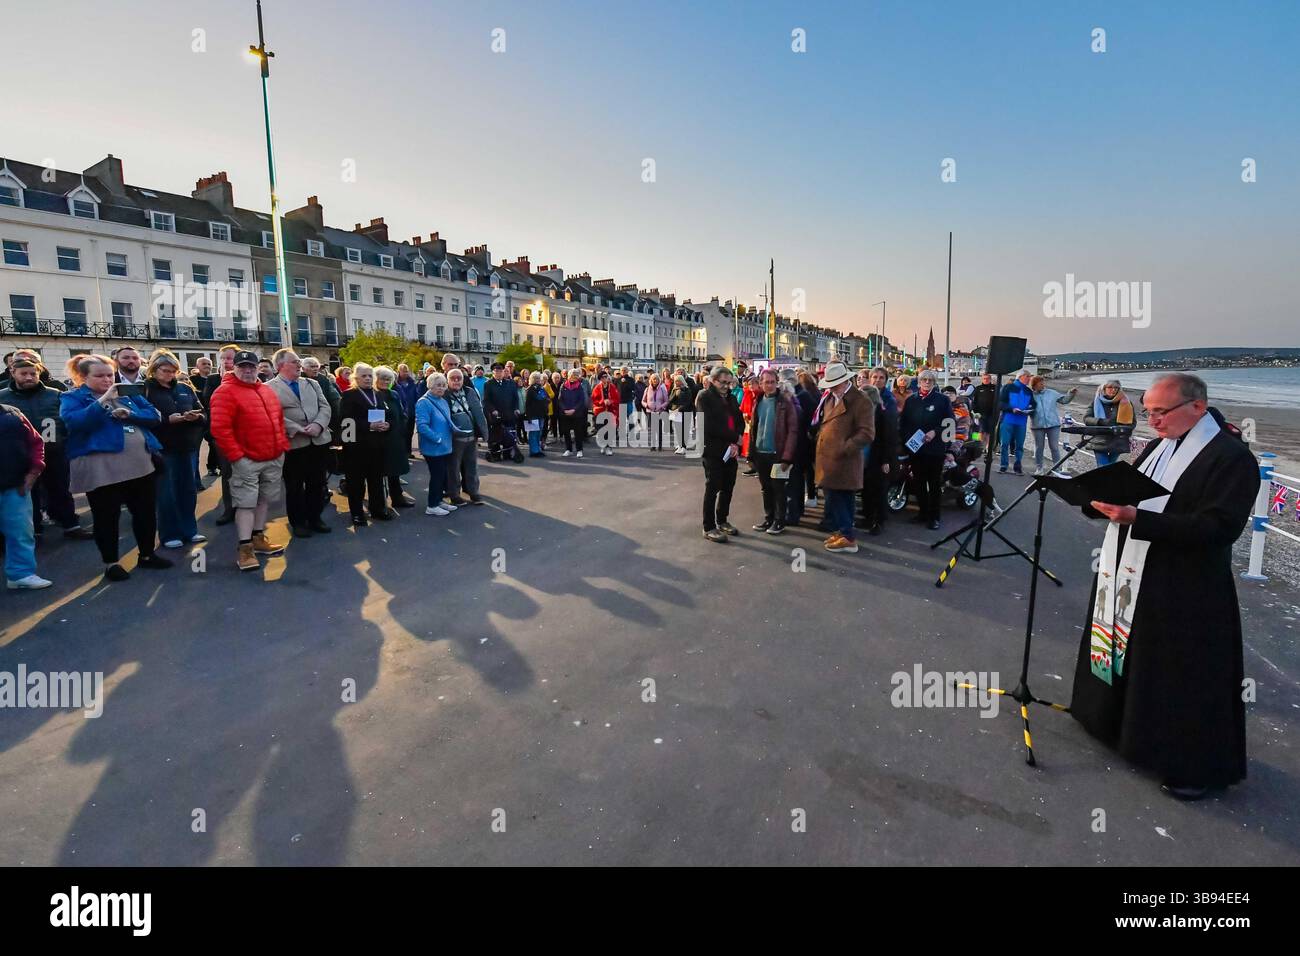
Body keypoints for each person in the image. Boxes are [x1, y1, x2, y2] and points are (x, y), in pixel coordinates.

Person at [1071, 373, 1258, 801]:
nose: (1152, 421)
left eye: (1161, 412)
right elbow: (1132, 490)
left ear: (1197, 406)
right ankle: (1121, 730)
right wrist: (1094, 500)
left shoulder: (1230, 457)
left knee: (1184, 675)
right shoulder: (1162, 444)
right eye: (1149, 412)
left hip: (1189, 587)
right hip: (1136, 574)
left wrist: (1138, 519)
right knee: (1139, 661)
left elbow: (1219, 527)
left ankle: (1192, 765)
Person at [61, 354, 173, 580]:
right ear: (83, 377)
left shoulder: (127, 393)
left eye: (109, 375)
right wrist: (103, 401)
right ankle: (111, 563)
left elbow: (154, 416)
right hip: (102, 469)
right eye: (99, 376)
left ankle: (147, 554)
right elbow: (76, 422)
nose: (106, 380)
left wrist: (131, 414)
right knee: (106, 517)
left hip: (140, 465)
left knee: (145, 513)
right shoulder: (72, 397)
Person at [209, 350, 290, 571]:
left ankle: (258, 538)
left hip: (272, 457)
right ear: (234, 368)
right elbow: (220, 429)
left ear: (257, 368)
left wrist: (281, 446)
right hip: (246, 460)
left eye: (251, 367)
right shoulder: (224, 392)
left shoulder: (266, 390)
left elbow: (279, 420)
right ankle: (245, 548)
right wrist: (238, 457)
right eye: (242, 366)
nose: (247, 370)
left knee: (263, 500)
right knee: (245, 504)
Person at [0, 356, 94, 541]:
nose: (29, 377)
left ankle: (70, 525)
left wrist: (65, 440)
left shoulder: (54, 394)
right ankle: (34, 530)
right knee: (29, 493)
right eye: (24, 374)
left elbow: (66, 419)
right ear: (13, 373)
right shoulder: (3, 397)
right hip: (21, 455)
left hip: (54, 451)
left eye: (33, 373)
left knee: (61, 489)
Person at [266, 348, 333, 538]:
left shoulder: (312, 383)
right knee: (295, 486)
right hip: (293, 444)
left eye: (299, 361)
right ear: (281, 365)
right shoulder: (268, 388)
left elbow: (325, 406)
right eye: (294, 361)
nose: (299, 365)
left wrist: (318, 424)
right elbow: (272, 414)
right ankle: (298, 522)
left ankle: (315, 518)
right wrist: (295, 427)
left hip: (318, 441)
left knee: (317, 482)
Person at [144, 349, 207, 549]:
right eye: (165, 370)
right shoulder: (146, 389)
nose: (170, 375)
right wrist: (166, 420)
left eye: (173, 371)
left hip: (187, 446)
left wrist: (196, 417)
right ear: (154, 369)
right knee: (166, 493)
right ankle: (169, 533)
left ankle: (190, 530)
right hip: (162, 448)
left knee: (188, 491)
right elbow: (142, 418)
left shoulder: (185, 388)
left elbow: (203, 413)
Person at [813, 362, 874, 552]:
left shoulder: (861, 400)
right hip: (829, 459)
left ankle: (848, 537)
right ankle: (842, 532)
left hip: (845, 460)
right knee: (836, 498)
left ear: (845, 381)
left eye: (834, 384)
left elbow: (867, 433)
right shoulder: (831, 397)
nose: (831, 388)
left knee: (842, 499)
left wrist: (844, 448)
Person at [0, 399, 52, 589]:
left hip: (15, 487)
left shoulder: (12, 414)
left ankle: (21, 574)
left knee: (21, 533)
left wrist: (33, 473)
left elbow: (36, 442)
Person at [337, 363, 394, 527]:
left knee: (376, 480)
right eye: (364, 376)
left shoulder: (378, 394)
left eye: (370, 375)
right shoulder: (349, 395)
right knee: (356, 482)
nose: (368, 378)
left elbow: (388, 415)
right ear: (356, 378)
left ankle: (378, 509)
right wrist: (369, 425)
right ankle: (357, 513)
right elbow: (346, 421)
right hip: (356, 447)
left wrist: (388, 425)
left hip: (377, 445)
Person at [899, 370, 954, 530]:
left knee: (934, 484)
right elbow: (904, 423)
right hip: (916, 449)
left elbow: (950, 422)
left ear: (934, 382)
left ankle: (934, 517)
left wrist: (935, 432)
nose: (927, 382)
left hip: (935, 450)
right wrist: (908, 441)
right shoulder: (911, 400)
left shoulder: (942, 400)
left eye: (930, 380)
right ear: (919, 382)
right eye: (924, 379)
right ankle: (922, 513)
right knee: (919, 483)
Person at [696, 365, 744, 542]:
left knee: (728, 487)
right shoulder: (704, 397)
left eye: (729, 383)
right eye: (722, 382)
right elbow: (709, 425)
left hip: (730, 450)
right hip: (713, 450)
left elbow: (739, 420)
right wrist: (734, 438)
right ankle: (708, 527)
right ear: (713, 381)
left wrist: (735, 441)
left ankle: (722, 520)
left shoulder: (731, 398)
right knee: (712, 488)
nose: (726, 386)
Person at [748, 369, 799, 535]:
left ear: (777, 383)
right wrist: (750, 454)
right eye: (766, 382)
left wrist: (787, 457)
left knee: (779, 489)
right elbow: (753, 428)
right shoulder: (758, 400)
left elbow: (793, 430)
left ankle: (779, 521)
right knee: (766, 488)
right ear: (761, 383)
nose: (769, 385)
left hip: (778, 454)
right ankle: (769, 518)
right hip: (760, 452)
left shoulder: (785, 402)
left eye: (772, 382)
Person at [202, 345, 239, 525]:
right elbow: (208, 403)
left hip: (246, 433)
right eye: (223, 358)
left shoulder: (248, 377)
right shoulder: (214, 379)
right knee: (227, 473)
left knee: (249, 473)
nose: (226, 362)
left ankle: (249, 509)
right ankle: (229, 509)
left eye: (229, 358)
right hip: (223, 435)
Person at [444, 368, 488, 505]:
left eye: (459, 378)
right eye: (453, 378)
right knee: (453, 468)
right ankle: (454, 494)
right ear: (447, 380)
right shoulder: (444, 394)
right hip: (454, 438)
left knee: (472, 466)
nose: (456, 381)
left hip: (471, 437)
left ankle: (473, 492)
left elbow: (478, 412)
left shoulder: (469, 391)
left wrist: (484, 432)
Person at [415, 372, 457, 516]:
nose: (441, 388)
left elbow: (447, 420)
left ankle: (438, 501)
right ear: (430, 386)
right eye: (438, 385)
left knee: (443, 475)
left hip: (445, 445)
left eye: (443, 385)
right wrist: (437, 439)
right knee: (437, 476)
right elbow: (422, 426)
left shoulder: (442, 400)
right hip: (433, 447)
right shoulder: (423, 402)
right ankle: (432, 505)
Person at [859, 379, 897, 535]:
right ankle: (868, 517)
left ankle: (879, 521)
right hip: (866, 456)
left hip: (878, 457)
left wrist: (886, 460)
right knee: (866, 489)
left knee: (879, 491)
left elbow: (889, 438)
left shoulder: (882, 413)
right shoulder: (864, 412)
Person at [374, 366, 416, 508]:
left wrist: (397, 426)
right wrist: (384, 426)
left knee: (395, 471)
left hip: (395, 436)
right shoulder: (373, 395)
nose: (386, 382)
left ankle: (397, 498)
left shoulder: (394, 394)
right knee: (380, 473)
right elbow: (374, 418)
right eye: (382, 379)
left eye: (388, 379)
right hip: (380, 438)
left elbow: (401, 413)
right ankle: (381, 504)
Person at [1028, 376, 1077, 476]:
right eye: (1040, 383)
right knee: (1039, 448)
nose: (1043, 385)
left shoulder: (1052, 393)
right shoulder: (1030, 395)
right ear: (1034, 385)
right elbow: (1025, 406)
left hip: (1053, 424)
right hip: (1037, 425)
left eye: (1043, 382)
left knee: (1054, 447)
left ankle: (1057, 469)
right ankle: (1039, 469)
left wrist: (1071, 393)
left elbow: (1064, 400)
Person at [1085, 379, 1135, 467]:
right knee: (1103, 466)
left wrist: (1122, 429)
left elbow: (1132, 422)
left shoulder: (1126, 402)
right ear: (1104, 388)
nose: (1113, 390)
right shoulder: (1096, 401)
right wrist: (1100, 421)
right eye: (1110, 387)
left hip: (1118, 441)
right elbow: (1086, 419)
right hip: (1100, 440)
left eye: (1116, 388)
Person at [997, 369, 1036, 474]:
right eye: (1027, 376)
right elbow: (1000, 403)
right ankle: (1003, 465)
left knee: (1019, 446)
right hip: (1007, 420)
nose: (1029, 379)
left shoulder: (1028, 391)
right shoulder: (1008, 387)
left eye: (1030, 377)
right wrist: (1012, 409)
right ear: (1021, 376)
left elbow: (1033, 404)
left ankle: (1018, 466)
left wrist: (1030, 409)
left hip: (1021, 422)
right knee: (1004, 444)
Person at [482, 362, 522, 462]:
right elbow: (486, 400)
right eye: (496, 371)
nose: (499, 373)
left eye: (500, 371)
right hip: (496, 415)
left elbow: (515, 398)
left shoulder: (510, 383)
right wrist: (493, 410)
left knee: (508, 435)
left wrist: (516, 408)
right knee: (495, 436)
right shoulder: (488, 384)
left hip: (508, 414)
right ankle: (495, 454)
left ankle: (507, 454)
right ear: (493, 372)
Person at [557, 368, 588, 458]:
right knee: (566, 432)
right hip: (565, 413)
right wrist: (564, 410)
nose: (574, 377)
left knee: (578, 432)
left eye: (575, 375)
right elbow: (560, 400)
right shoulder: (563, 386)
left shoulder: (579, 386)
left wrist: (574, 410)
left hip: (576, 413)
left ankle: (579, 450)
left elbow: (581, 400)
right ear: (569, 376)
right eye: (572, 375)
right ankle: (568, 449)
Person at [393, 363, 421, 460]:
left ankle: (408, 452)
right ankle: (401, 452)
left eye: (407, 371)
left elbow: (416, 395)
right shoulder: (396, 384)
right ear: (399, 371)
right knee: (402, 433)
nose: (405, 373)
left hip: (411, 411)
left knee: (410, 432)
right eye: (403, 371)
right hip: (401, 412)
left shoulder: (412, 382)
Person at [524, 371, 551, 457]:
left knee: (539, 432)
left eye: (539, 378)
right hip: (533, 414)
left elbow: (548, 398)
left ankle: (538, 449)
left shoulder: (541, 388)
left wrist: (545, 400)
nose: (538, 380)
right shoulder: (530, 389)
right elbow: (527, 404)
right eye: (536, 378)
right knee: (533, 433)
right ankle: (534, 451)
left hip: (541, 414)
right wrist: (528, 416)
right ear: (533, 379)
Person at [971, 372, 998, 441]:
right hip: (979, 414)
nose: (986, 380)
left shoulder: (995, 388)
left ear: (990, 379)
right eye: (984, 378)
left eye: (987, 378)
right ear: (982, 379)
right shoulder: (978, 388)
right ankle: (977, 443)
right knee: (978, 429)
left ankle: (987, 445)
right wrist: (974, 411)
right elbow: (973, 401)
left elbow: (998, 400)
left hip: (991, 414)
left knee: (989, 431)